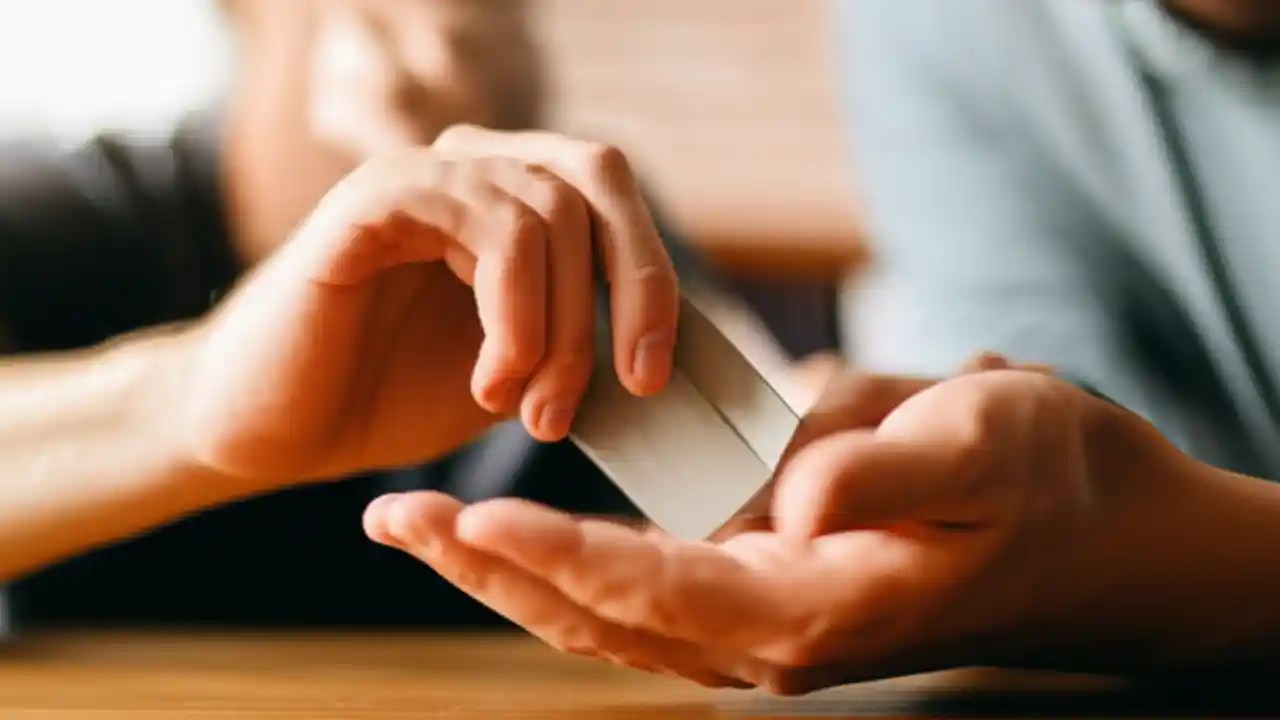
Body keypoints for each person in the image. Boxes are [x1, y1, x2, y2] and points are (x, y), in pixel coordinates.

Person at [351, 0, 1280, 694]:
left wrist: (1208, 569)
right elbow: (1077, 416)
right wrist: (959, 473)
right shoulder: (938, 26)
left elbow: (1135, 521)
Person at [0, 0, 791, 629]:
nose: (448, 38)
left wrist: (771, 472)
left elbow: (775, 519)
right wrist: (191, 399)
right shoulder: (71, 216)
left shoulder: (588, 229)